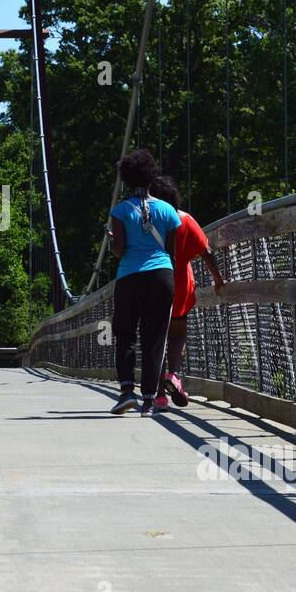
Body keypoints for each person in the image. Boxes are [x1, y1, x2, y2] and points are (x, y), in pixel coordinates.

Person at [106, 149, 182, 416]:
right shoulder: (168, 210)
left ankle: (127, 391)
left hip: (129, 277)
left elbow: (119, 251)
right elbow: (170, 251)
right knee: (154, 338)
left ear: (126, 178)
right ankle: (149, 400)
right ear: (151, 176)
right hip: (162, 276)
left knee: (125, 334)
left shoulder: (120, 211)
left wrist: (111, 237)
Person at [148, 176, 225, 409]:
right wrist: (219, 280)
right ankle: (174, 375)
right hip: (180, 283)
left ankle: (159, 395)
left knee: (157, 337)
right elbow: (207, 252)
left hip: (153, 281)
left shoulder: (147, 221)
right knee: (178, 332)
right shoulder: (185, 220)